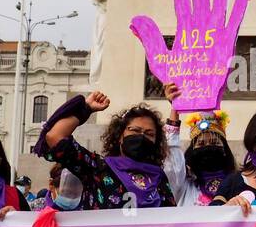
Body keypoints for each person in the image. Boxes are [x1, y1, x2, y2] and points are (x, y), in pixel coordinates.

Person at [33, 90, 177, 210]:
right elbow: (55, 137)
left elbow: (171, 223)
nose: (142, 137)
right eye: (135, 130)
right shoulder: (97, 168)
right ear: (120, 136)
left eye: (149, 134)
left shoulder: (159, 177)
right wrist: (86, 109)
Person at [169, 110, 238, 206]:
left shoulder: (238, 183)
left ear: (225, 150)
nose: (208, 147)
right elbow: (172, 154)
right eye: (201, 143)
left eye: (214, 143)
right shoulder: (184, 184)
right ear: (192, 150)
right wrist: (174, 109)